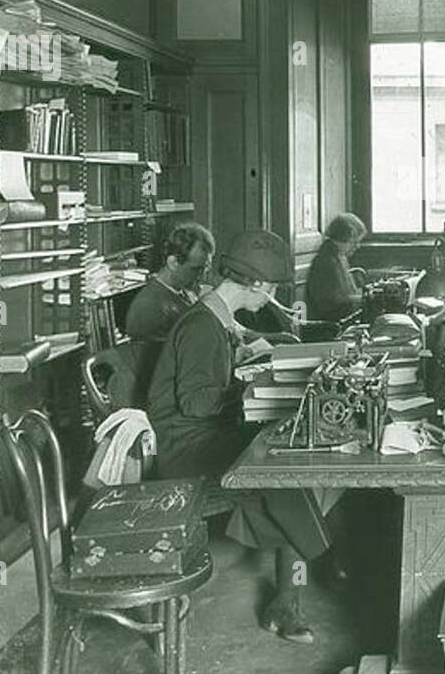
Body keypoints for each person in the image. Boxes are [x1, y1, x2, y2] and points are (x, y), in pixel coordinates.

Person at [147, 229, 338, 644]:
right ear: (254, 283)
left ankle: (295, 590)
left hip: (203, 433)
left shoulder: (214, 315)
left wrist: (251, 367)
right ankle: (309, 576)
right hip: (185, 447)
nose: (268, 297)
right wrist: (249, 387)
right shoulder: (201, 327)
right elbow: (197, 404)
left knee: (288, 455)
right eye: (268, 288)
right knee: (282, 466)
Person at [125, 222, 215, 342]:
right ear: (173, 263)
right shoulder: (148, 307)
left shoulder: (185, 291)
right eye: (197, 269)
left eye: (206, 268)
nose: (202, 276)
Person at [306, 212, 367, 322]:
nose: (357, 246)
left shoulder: (338, 256)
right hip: (328, 325)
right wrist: (364, 300)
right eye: (354, 242)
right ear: (343, 239)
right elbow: (332, 304)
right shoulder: (326, 262)